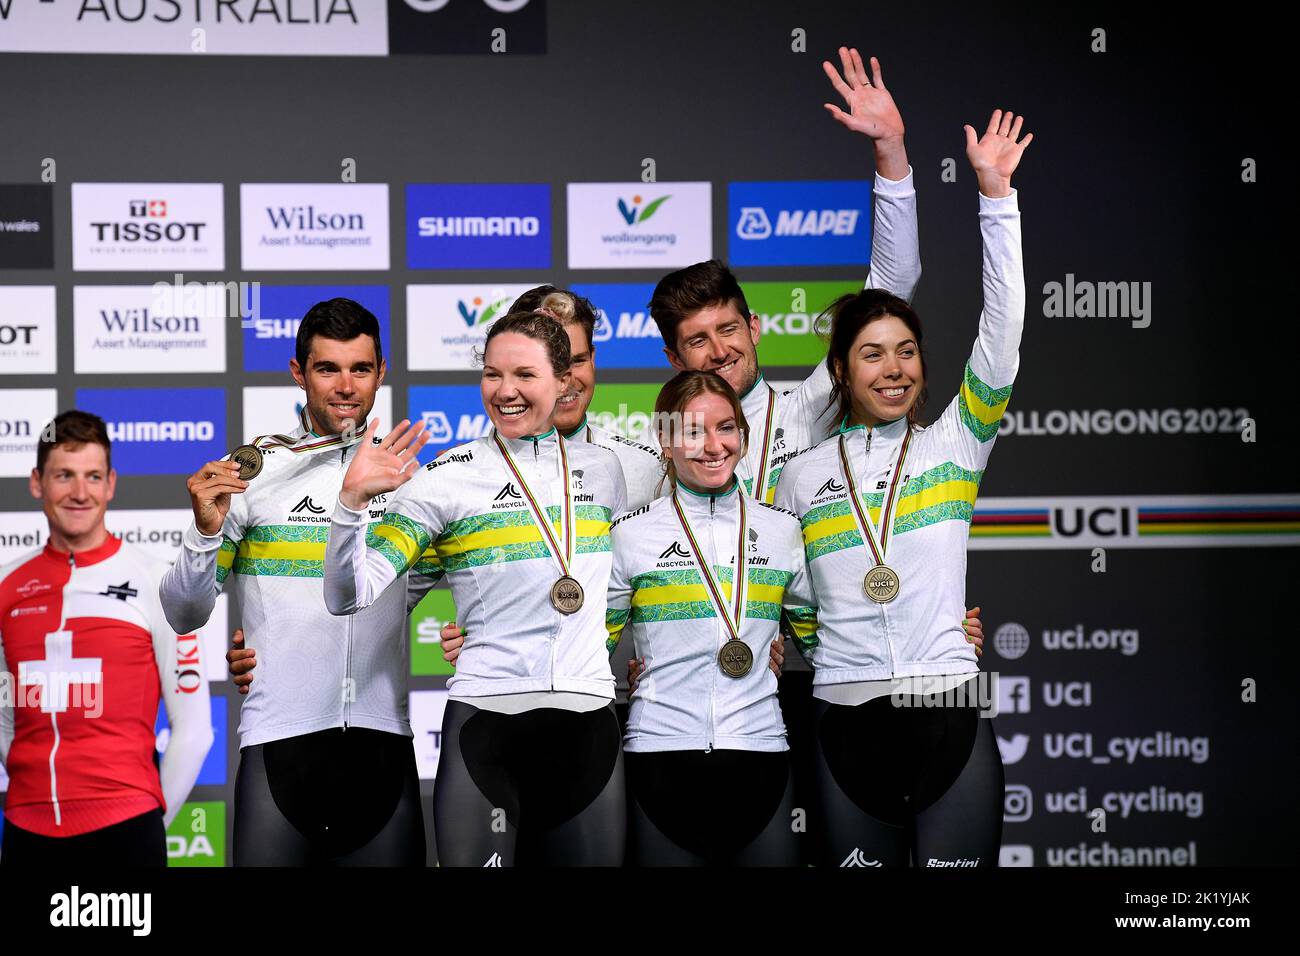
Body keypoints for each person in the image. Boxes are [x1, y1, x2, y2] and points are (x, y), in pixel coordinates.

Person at [773, 109, 1031, 867]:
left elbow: (1003, 331)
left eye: (908, 352)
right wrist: (842, 650)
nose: (895, 369)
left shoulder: (957, 441)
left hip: (952, 713)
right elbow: (790, 594)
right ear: (843, 373)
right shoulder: (804, 471)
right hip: (844, 720)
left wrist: (996, 197)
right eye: (873, 355)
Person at [323, 311, 628, 866]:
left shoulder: (606, 470)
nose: (505, 391)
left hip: (588, 726)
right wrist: (350, 505)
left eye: (524, 375)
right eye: (492, 374)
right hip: (485, 729)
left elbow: (630, 584)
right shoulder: (446, 476)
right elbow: (350, 595)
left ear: (564, 381)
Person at [159, 298, 429, 866]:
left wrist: (465, 639)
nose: (345, 386)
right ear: (297, 372)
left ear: (382, 371)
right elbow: (184, 614)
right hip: (279, 748)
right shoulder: (252, 474)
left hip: (382, 747)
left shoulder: (411, 483)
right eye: (327, 368)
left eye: (360, 368)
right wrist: (205, 533)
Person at [649, 49, 921, 505]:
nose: (719, 351)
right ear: (674, 358)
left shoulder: (808, 409)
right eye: (697, 341)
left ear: (754, 328)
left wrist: (890, 151)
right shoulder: (664, 447)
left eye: (729, 329)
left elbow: (892, 285)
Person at [606, 371, 816, 865]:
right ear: (665, 438)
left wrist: (930, 632)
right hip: (660, 758)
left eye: (727, 427)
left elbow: (825, 639)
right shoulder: (629, 535)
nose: (713, 445)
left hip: (761, 754)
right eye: (694, 431)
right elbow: (588, 648)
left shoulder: (782, 530)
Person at [0, 411, 212, 867]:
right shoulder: (6, 585)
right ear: (37, 482)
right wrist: (30, 783)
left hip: (125, 830)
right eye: (64, 476)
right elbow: (2, 713)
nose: (80, 493)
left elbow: (194, 731)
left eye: (93, 477)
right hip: (25, 828)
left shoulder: (159, 582)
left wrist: (150, 820)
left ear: (111, 484)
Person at [511, 286, 664, 510]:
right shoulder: (474, 472)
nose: (567, 379)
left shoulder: (645, 467)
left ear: (592, 359)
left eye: (578, 360)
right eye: (551, 364)